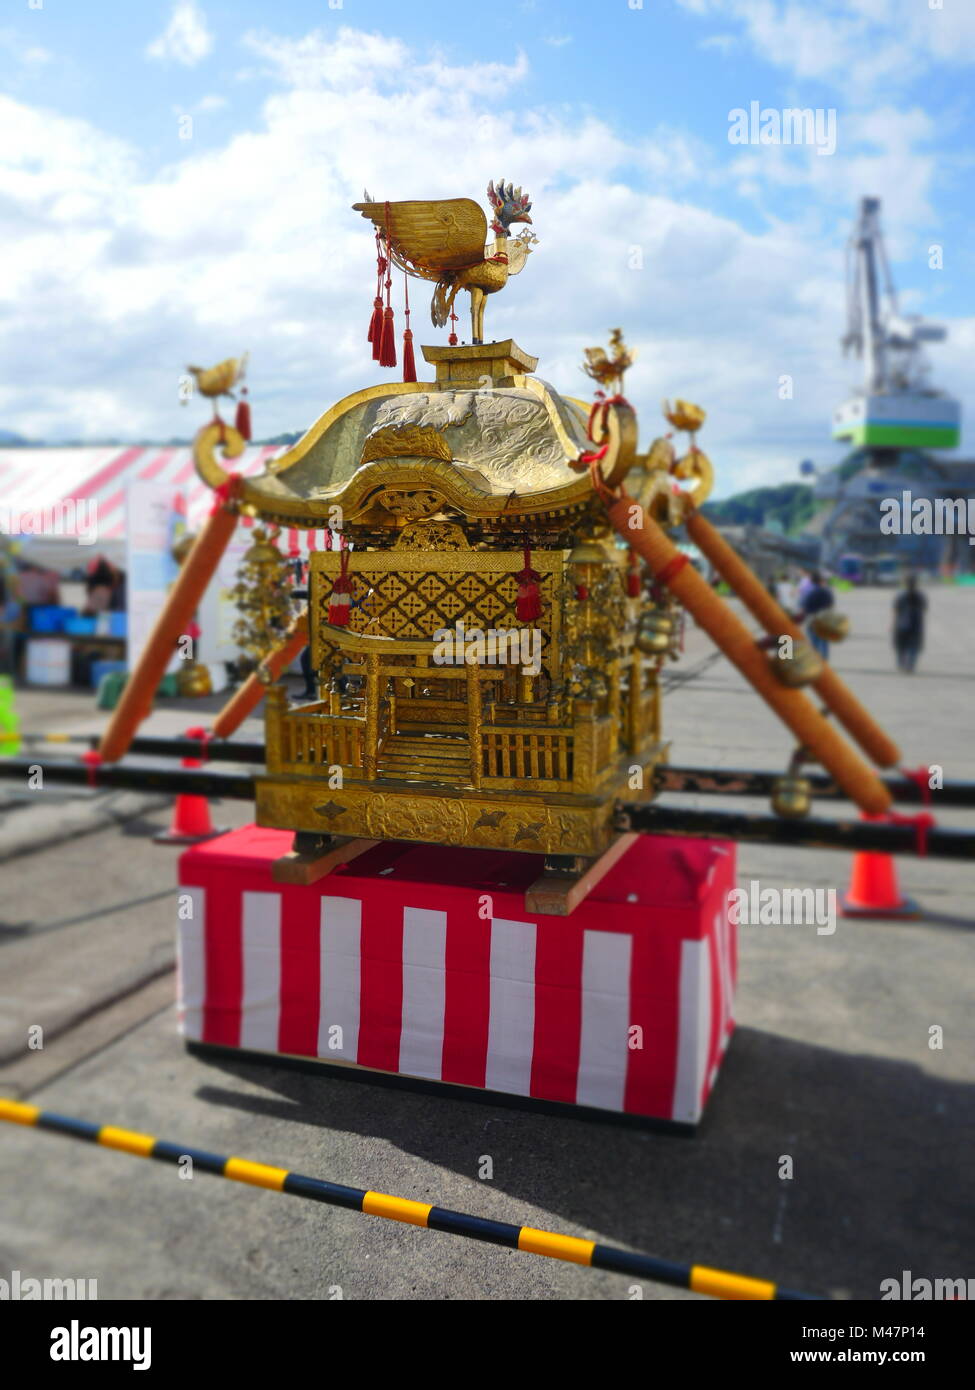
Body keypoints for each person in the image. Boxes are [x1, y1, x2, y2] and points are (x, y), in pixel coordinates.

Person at [892, 574, 927, 673]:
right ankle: (910, 665)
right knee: (914, 646)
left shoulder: (900, 595)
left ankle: (901, 663)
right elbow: (924, 608)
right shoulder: (920, 596)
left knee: (901, 645)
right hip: (916, 624)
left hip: (902, 623)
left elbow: (896, 610)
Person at [801, 570, 834, 658]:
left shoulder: (808, 591)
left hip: (812, 619)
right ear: (820, 580)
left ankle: (815, 662)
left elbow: (804, 606)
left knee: (813, 642)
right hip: (824, 619)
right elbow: (830, 605)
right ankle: (824, 663)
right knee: (824, 642)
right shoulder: (826, 591)